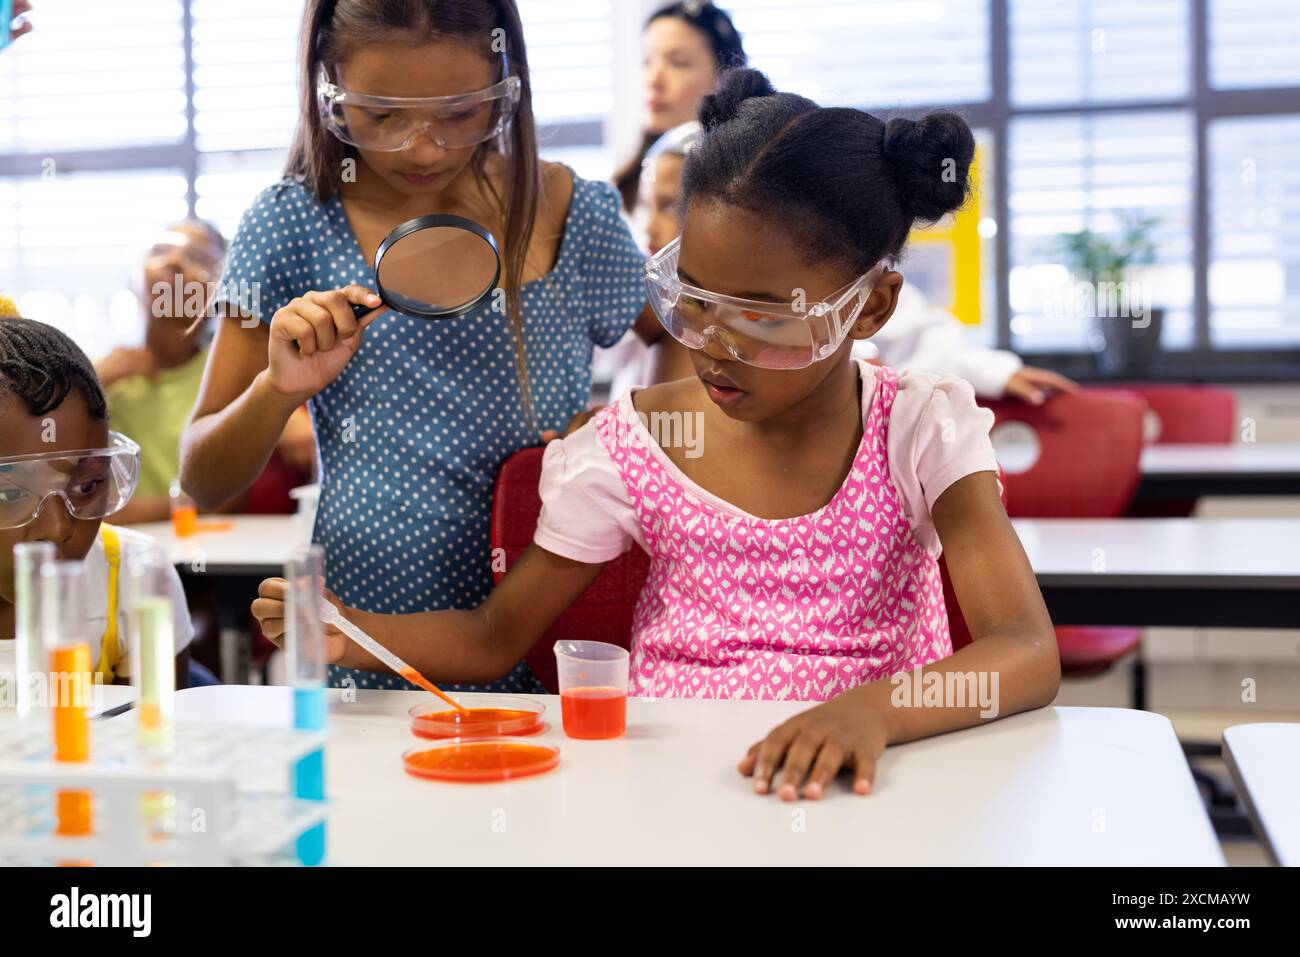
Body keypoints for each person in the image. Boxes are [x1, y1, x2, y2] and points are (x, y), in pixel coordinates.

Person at [253, 70, 1061, 800]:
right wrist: (352, 633)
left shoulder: (920, 426)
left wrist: (871, 714)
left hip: (868, 782)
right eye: (696, 300)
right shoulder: (634, 441)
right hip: (672, 791)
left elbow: (1025, 649)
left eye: (760, 316)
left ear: (872, 307)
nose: (715, 342)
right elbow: (496, 633)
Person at [180, 0, 670, 694]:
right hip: (363, 634)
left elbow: (680, 345)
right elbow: (202, 479)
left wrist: (630, 429)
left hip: (548, 623)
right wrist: (277, 389)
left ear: (507, 85)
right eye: (381, 116)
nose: (423, 148)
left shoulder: (572, 211)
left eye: (459, 113)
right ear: (329, 87)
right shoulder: (289, 222)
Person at [0, 315, 192, 687]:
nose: (58, 528)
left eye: (87, 487)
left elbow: (155, 737)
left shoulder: (134, 581)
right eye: (10, 494)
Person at [95, 221, 315, 524]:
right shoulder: (98, 377)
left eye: (197, 257)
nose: (173, 261)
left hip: (207, 556)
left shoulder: (233, 377)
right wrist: (91, 383)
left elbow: (224, 501)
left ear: (220, 289)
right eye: (161, 250)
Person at [612, 2, 746, 213]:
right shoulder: (617, 194)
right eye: (647, 61)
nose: (653, 79)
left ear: (725, 77)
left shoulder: (740, 193)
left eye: (678, 62)